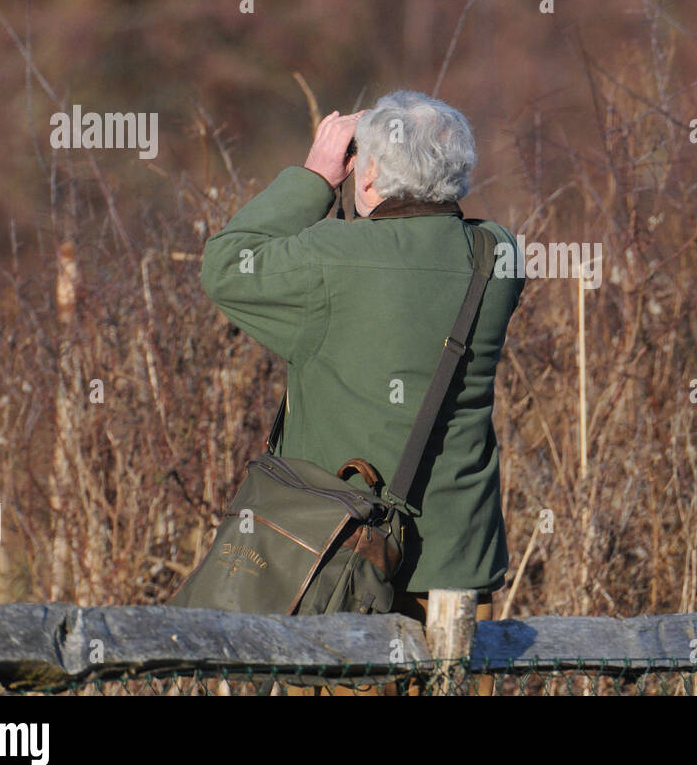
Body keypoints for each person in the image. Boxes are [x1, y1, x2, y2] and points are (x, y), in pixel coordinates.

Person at [200, 90, 523, 693]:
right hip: (453, 558)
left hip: (339, 552)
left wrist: (315, 177)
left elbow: (225, 265)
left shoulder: (332, 256)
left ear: (368, 170)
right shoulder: (498, 254)